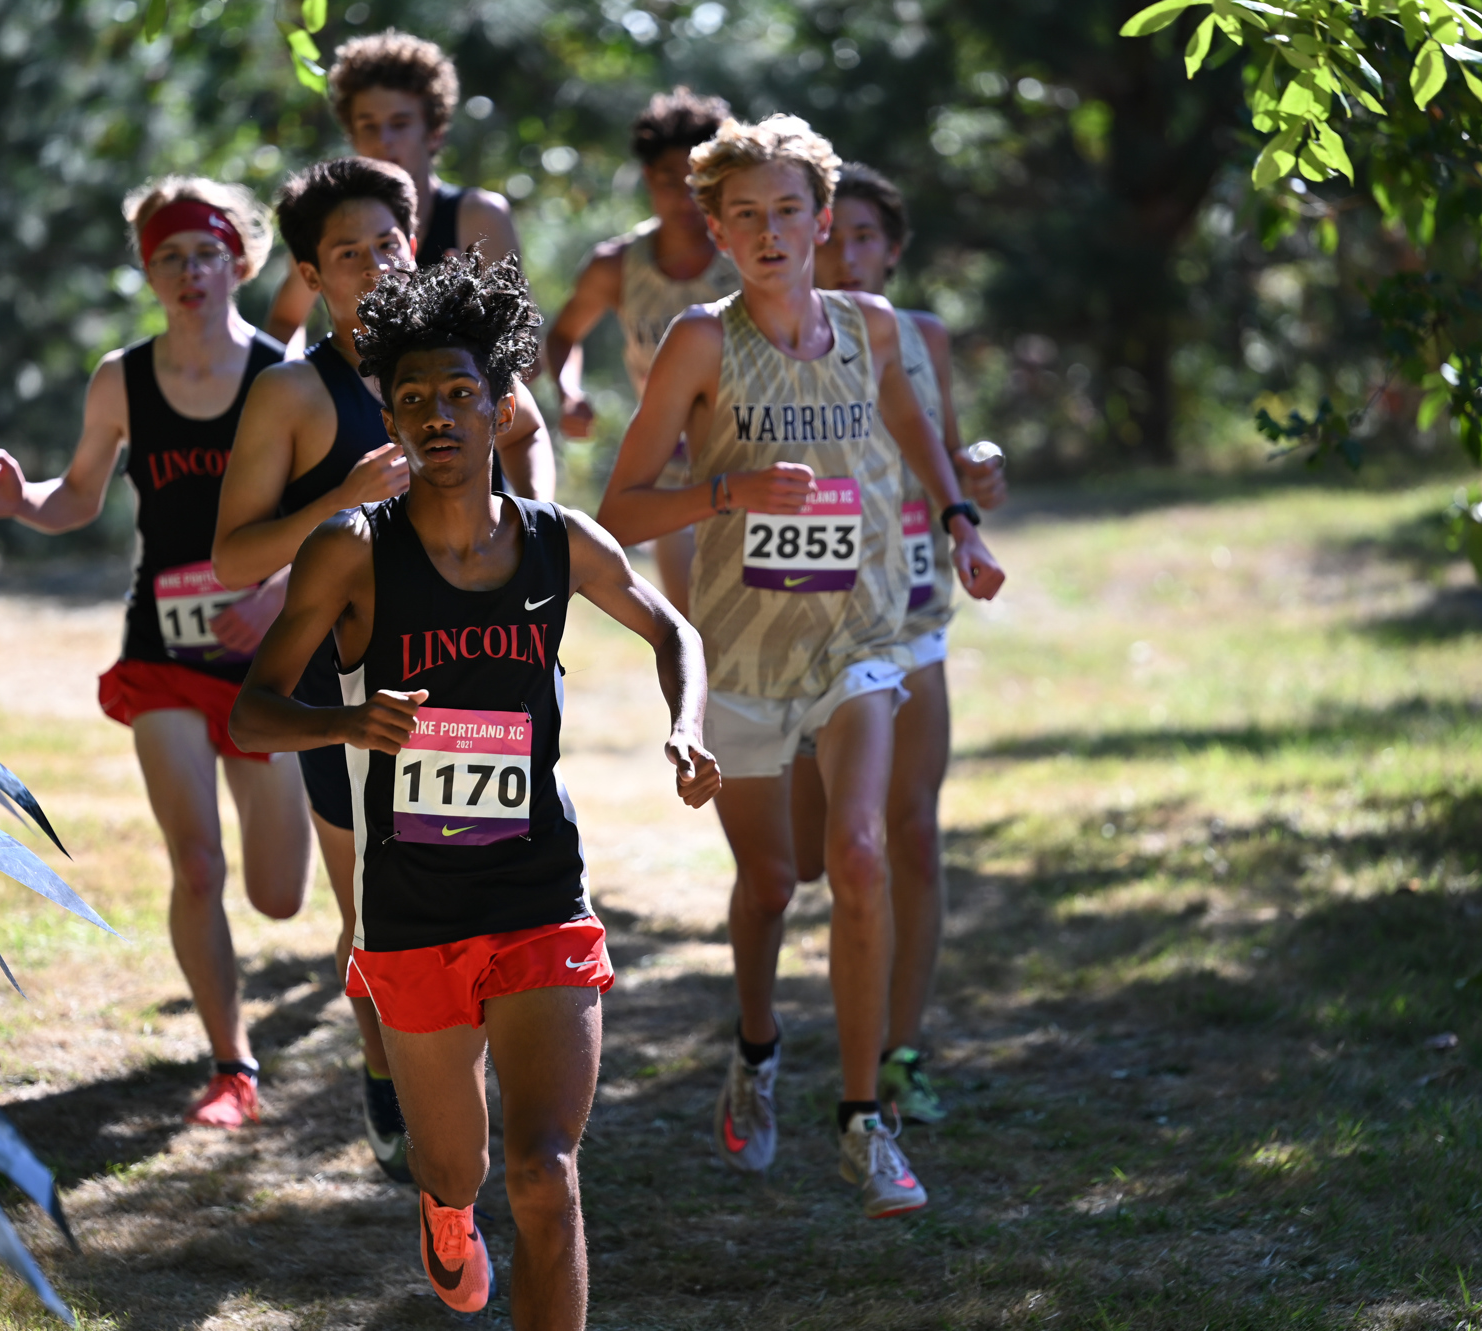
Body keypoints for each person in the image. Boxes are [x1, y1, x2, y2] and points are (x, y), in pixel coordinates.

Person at [231, 250, 719, 1326]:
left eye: (459, 394)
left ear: (502, 407)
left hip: (539, 887)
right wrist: (344, 719)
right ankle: (443, 1211)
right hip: (412, 909)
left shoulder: (557, 542)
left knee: (545, 1174)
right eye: (412, 401)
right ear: (388, 422)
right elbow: (250, 711)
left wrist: (683, 726)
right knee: (458, 1167)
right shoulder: (349, 552)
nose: (438, 417)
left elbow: (671, 626)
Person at [595, 115, 1005, 1218]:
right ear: (717, 233)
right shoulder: (697, 341)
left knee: (861, 849)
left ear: (823, 222)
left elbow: (918, 437)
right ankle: (757, 1045)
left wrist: (961, 523)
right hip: (739, 654)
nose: (769, 233)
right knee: (771, 880)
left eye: (788, 211)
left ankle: (863, 1124)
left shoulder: (871, 329)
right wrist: (725, 492)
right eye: (745, 216)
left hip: (860, 636)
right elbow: (618, 507)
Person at [210, 155, 553, 1180]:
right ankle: (383, 1070)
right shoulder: (289, 392)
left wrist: (530, 561)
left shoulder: (470, 362)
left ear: (420, 247)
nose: (370, 265)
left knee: (496, 900)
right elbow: (230, 557)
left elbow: (526, 446)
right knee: (374, 915)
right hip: (342, 692)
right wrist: (342, 497)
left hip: (480, 683)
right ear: (311, 275)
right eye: (345, 254)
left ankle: (467, 1086)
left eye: (386, 245)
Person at [0, 177, 312, 1130]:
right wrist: (17, 499)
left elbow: (339, 521)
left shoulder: (288, 373)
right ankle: (231, 1062)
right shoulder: (122, 376)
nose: (190, 272)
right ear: (148, 270)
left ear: (239, 259)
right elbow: (76, 495)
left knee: (279, 895)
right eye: (169, 257)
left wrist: (278, 595)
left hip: (269, 656)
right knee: (197, 863)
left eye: (206, 253)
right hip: (163, 643)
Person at [788, 162, 1008, 1127]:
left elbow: (945, 454)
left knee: (909, 832)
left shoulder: (923, 337)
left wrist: (976, 480)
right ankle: (821, 1017)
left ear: (895, 246)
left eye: (870, 235)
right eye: (837, 234)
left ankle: (900, 1049)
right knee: (805, 856)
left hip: (911, 612)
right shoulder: (775, 335)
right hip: (803, 624)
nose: (849, 253)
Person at [542, 87, 740, 617]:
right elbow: (562, 336)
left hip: (751, 457)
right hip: (669, 471)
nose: (685, 195)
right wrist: (568, 392)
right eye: (669, 180)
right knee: (691, 620)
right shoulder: (617, 266)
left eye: (699, 181)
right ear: (648, 180)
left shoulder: (750, 256)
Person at [262, 28, 521, 349]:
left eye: (399, 124)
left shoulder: (479, 215)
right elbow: (285, 324)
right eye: (368, 125)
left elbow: (521, 343)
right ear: (352, 135)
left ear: (435, 132)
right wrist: (300, 387)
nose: (383, 141)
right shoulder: (325, 221)